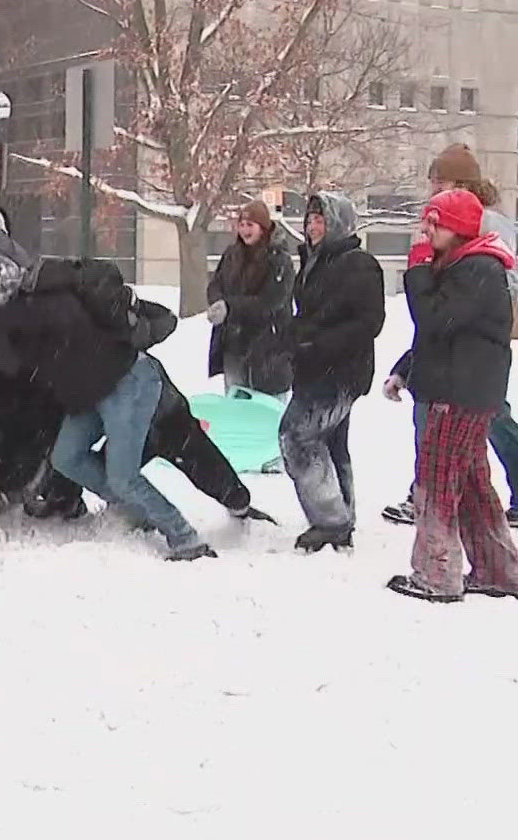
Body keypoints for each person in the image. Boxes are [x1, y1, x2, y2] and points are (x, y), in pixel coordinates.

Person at [0, 253, 216, 560]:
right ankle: (139, 512)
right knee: (67, 457)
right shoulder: (31, 304)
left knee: (123, 476)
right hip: (91, 393)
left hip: (127, 385)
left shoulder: (44, 305)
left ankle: (184, 537)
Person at [383, 188, 518, 602]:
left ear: (457, 228)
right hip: (461, 388)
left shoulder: (477, 267)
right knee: (472, 484)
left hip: (459, 393)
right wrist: (405, 370)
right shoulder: (463, 265)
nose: (425, 230)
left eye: (434, 222)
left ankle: (436, 574)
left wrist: (418, 267)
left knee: (437, 480)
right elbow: (438, 335)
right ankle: (498, 570)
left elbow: (434, 318)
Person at [282, 191, 385, 552]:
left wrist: (319, 343)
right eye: (310, 220)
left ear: (339, 223)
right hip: (313, 367)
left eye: (321, 220)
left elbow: (369, 321)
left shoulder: (357, 264)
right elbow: (311, 313)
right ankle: (342, 516)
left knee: (297, 436)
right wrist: (295, 337)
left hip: (339, 372)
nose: (313, 227)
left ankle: (330, 522)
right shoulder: (316, 261)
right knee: (331, 443)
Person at [205, 199, 294, 395]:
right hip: (233, 347)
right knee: (235, 403)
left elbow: (271, 301)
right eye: (242, 224)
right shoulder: (231, 255)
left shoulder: (279, 259)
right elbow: (216, 284)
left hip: (268, 350)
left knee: (267, 407)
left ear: (263, 228)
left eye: (250, 225)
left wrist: (231, 308)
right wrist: (217, 302)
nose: (245, 230)